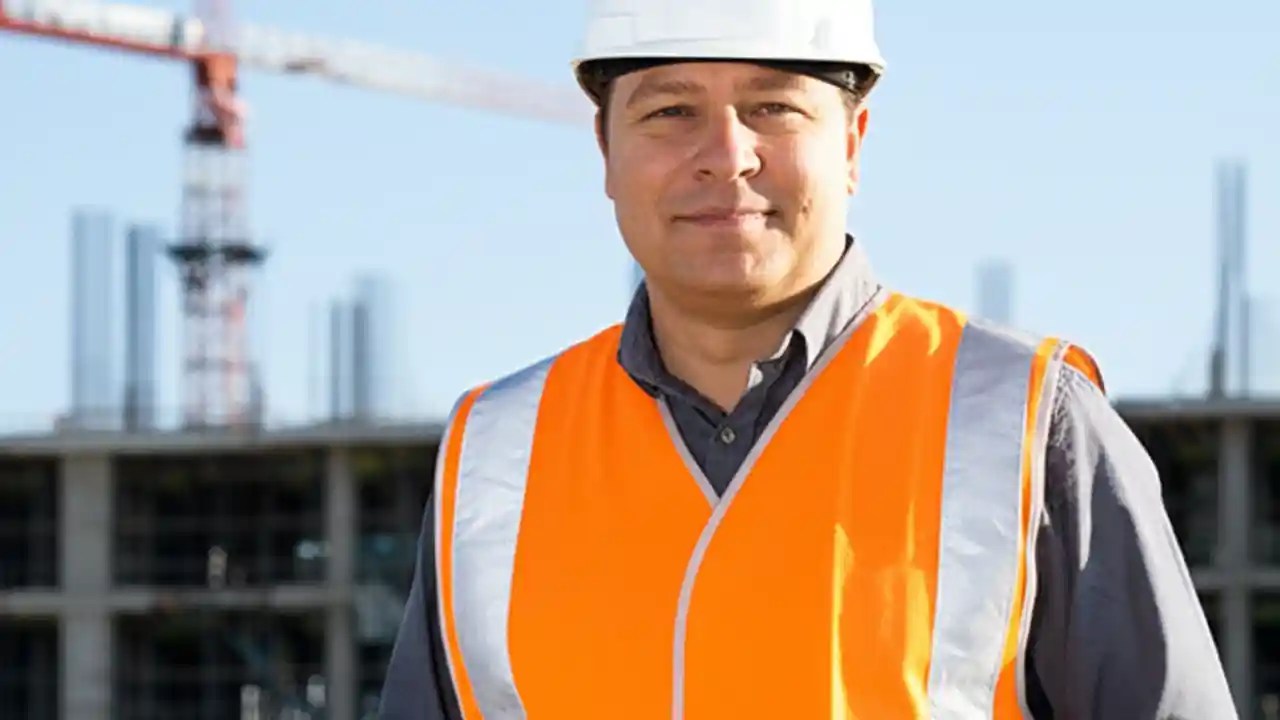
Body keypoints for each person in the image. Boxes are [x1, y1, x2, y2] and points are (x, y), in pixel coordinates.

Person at [379, 0, 1237, 717]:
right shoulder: (496, 457)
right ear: (605, 150)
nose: (727, 154)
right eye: (670, 111)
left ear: (854, 141)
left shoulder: (1024, 422)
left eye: (774, 107)